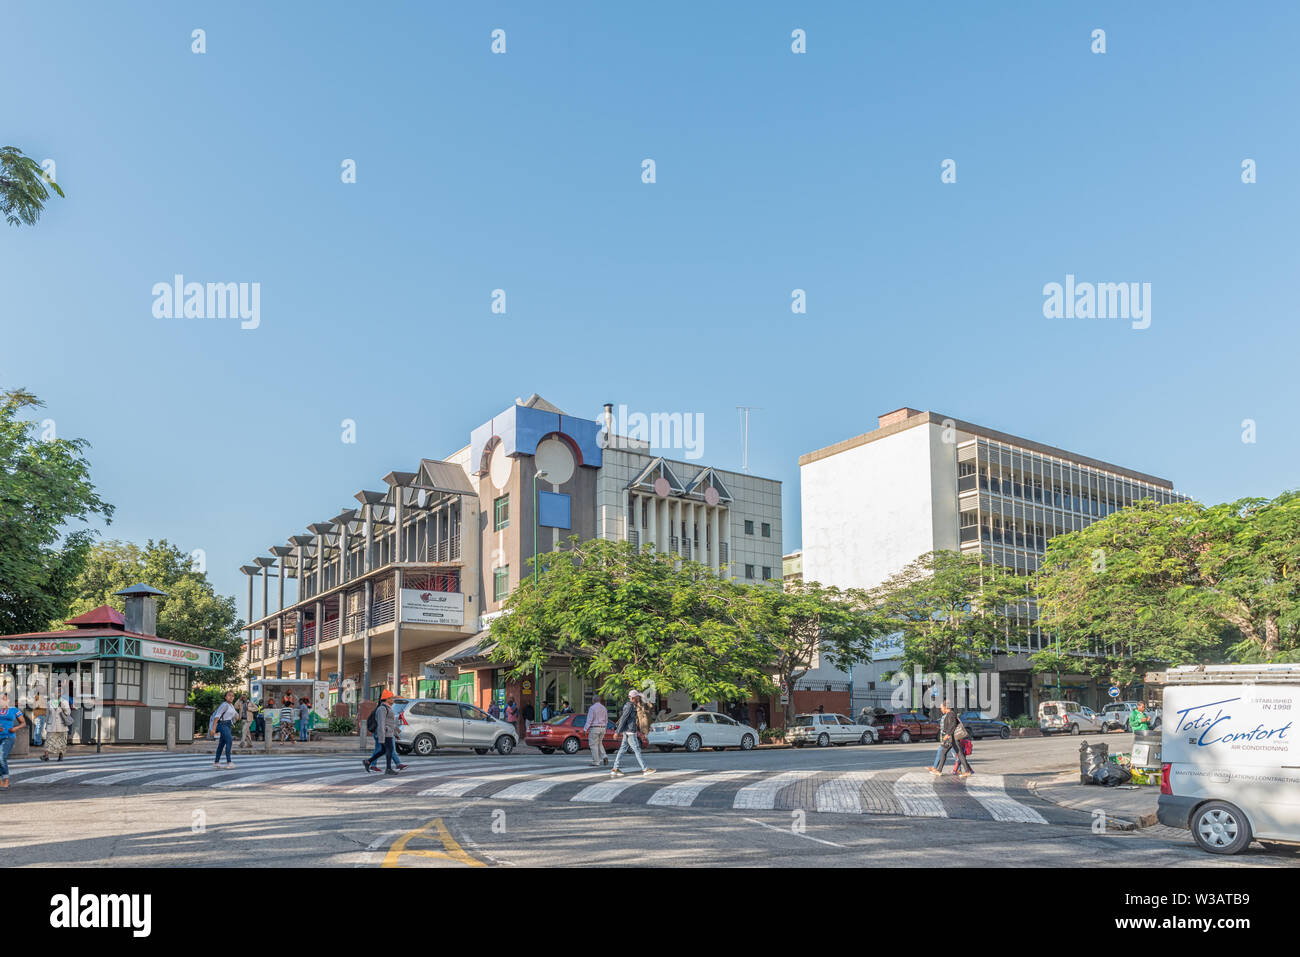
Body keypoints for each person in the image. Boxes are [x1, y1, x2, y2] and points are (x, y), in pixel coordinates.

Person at [610, 690, 656, 777]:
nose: (638, 698)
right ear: (633, 698)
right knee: (637, 750)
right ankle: (645, 769)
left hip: (627, 731)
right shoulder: (630, 706)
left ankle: (615, 769)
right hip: (630, 732)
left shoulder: (631, 706)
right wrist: (617, 732)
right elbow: (624, 718)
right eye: (637, 697)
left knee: (622, 750)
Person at [929, 701, 971, 778]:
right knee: (959, 754)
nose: (941, 709)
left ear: (946, 707)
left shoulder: (951, 714)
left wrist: (947, 735)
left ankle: (939, 770)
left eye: (941, 708)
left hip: (951, 738)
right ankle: (968, 770)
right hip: (952, 738)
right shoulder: (949, 714)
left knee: (944, 752)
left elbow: (952, 725)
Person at [364, 690, 402, 775]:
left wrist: (396, 733)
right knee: (389, 750)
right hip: (385, 734)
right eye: (391, 698)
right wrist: (381, 738)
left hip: (388, 733)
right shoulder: (382, 709)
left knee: (383, 750)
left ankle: (368, 761)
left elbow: (390, 723)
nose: (393, 699)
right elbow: (381, 724)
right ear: (387, 699)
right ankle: (388, 768)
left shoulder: (387, 708)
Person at [0, 692, 27, 789]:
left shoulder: (14, 710)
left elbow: (23, 723)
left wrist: (16, 728)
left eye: (5, 698)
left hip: (8, 736)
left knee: (2, 756)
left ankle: (6, 780)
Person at [42, 688, 73, 762]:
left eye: (59, 692)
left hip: (61, 725)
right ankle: (46, 756)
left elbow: (68, 712)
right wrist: (46, 724)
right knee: (49, 741)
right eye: (56, 692)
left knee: (60, 741)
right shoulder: (49, 702)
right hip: (52, 725)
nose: (57, 694)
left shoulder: (64, 702)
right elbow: (47, 714)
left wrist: (62, 705)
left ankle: (60, 756)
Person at [210, 690, 239, 768]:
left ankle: (216, 762)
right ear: (225, 697)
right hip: (222, 724)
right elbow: (217, 716)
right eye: (229, 695)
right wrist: (213, 728)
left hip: (228, 725)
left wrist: (236, 717)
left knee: (221, 744)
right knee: (229, 741)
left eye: (232, 696)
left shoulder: (231, 706)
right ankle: (229, 762)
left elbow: (236, 715)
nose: (231, 697)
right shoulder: (224, 705)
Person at [586, 695, 609, 767]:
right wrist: (604, 727)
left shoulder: (592, 708)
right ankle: (604, 756)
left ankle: (596, 761)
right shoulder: (604, 708)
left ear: (593, 700)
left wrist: (585, 729)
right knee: (599, 743)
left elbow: (589, 720)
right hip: (602, 728)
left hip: (594, 728)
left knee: (593, 745)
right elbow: (606, 720)